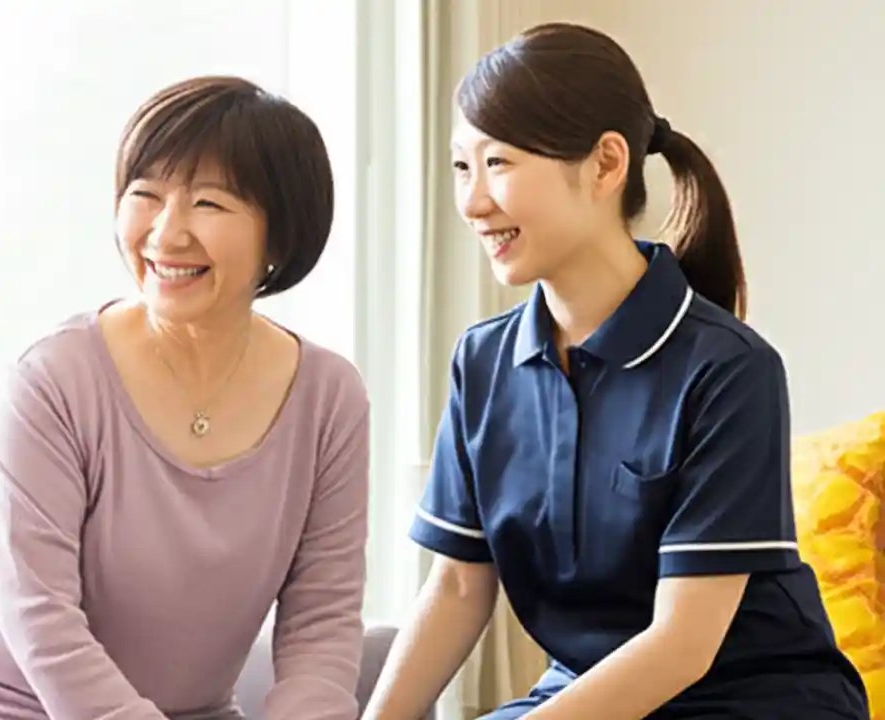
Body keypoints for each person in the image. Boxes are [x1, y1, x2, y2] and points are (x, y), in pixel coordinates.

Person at [364, 22, 868, 720]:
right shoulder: (482, 363)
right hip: (579, 700)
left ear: (605, 164)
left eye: (499, 163)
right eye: (461, 167)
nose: (473, 202)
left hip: (752, 702)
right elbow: (455, 588)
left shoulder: (729, 370)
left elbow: (682, 644)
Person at [0, 75, 369, 719]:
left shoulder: (330, 396)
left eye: (209, 204)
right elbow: (40, 616)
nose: (166, 233)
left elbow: (322, 623)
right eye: (145, 195)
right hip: (10, 708)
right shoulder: (53, 381)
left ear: (280, 234)